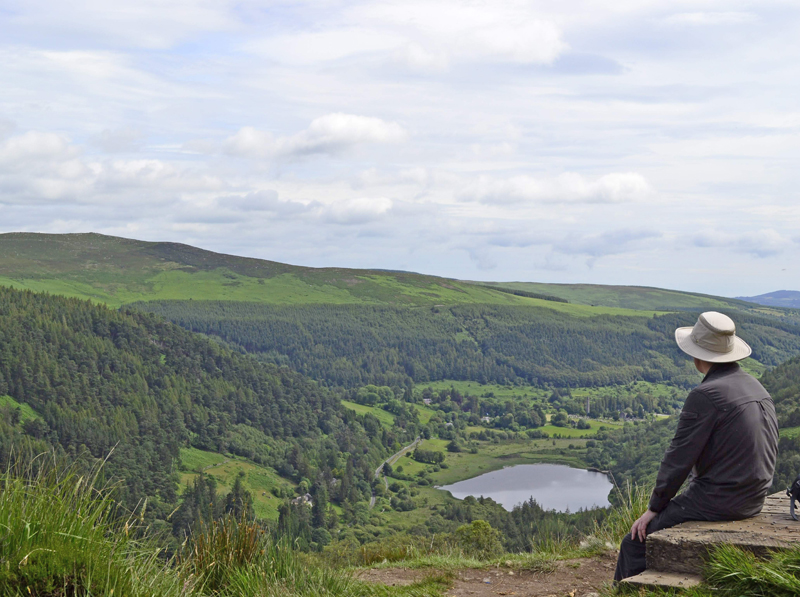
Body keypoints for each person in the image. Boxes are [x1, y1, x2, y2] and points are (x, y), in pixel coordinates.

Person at [614, 311, 779, 581]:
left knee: (634, 543)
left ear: (698, 355)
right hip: (754, 499)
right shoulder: (756, 386)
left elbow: (679, 458)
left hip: (719, 501)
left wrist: (653, 509)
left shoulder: (705, 395)